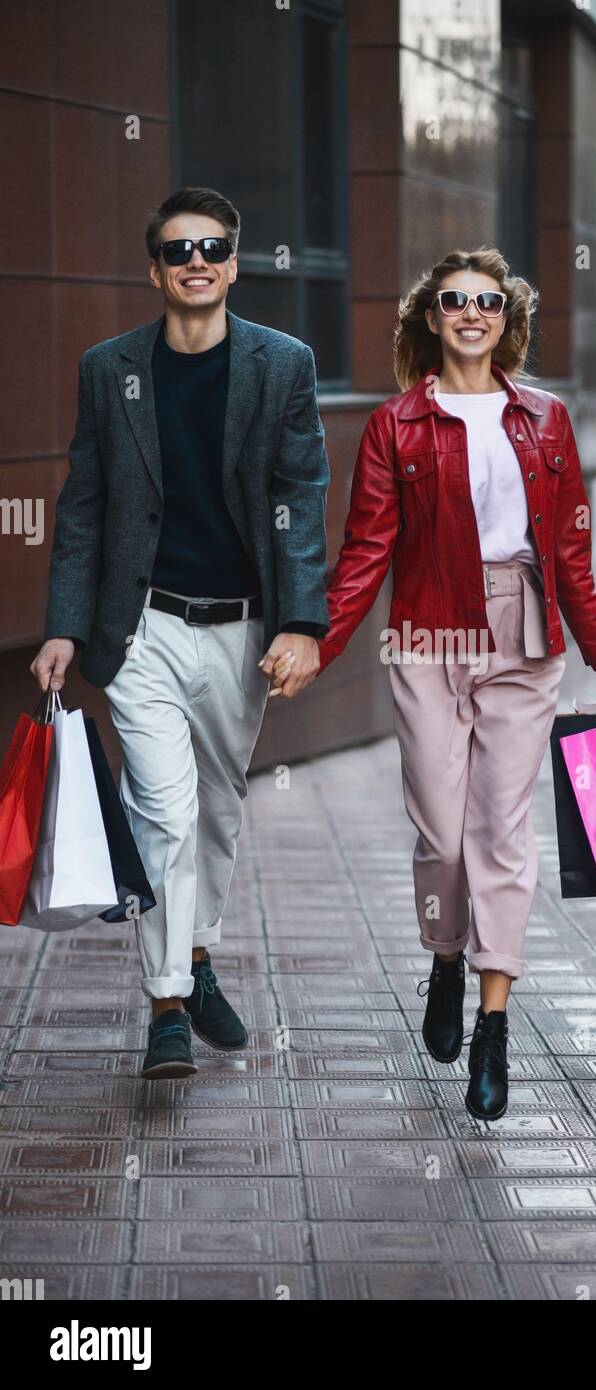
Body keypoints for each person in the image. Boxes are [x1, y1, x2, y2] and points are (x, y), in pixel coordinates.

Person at [280, 247, 596, 1120]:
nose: (470, 314)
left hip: (524, 633)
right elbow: (366, 552)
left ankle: (493, 1024)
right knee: (440, 832)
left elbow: (569, 552)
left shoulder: (545, 419)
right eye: (452, 302)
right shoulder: (395, 425)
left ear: (506, 319)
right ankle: (444, 956)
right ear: (429, 318)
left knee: (500, 832)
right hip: (429, 632)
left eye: (487, 301)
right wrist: (316, 645)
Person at [30, 187, 329, 1080]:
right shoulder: (108, 367)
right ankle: (166, 1002)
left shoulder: (282, 364)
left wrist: (303, 623)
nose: (195, 261)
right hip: (144, 626)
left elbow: (299, 497)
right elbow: (83, 504)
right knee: (162, 809)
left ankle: (196, 958)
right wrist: (64, 628)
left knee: (219, 814)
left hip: (240, 632)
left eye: (212, 248)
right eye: (177, 250)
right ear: (154, 269)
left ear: (233, 265)